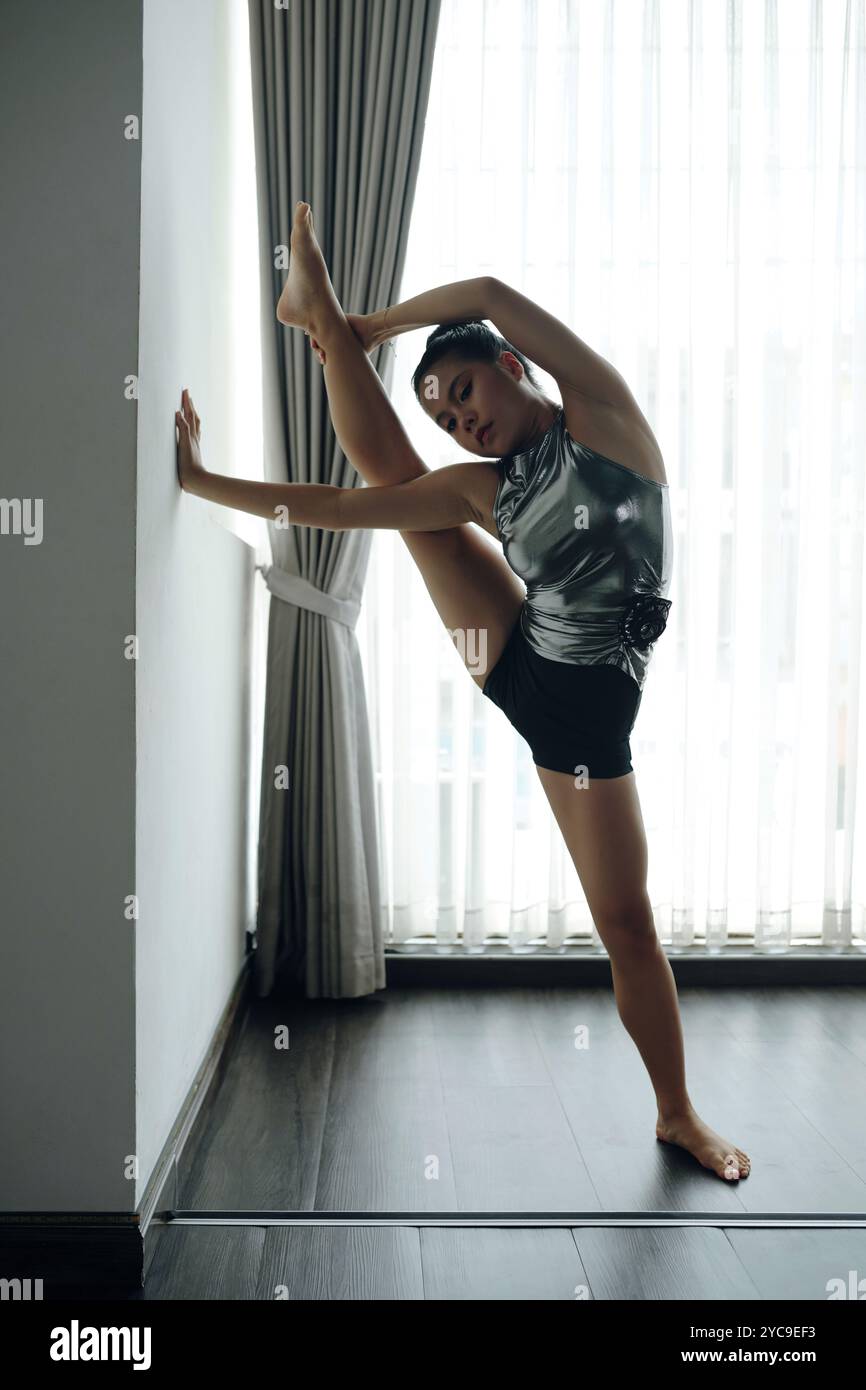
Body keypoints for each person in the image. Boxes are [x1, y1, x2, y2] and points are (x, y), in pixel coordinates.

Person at [176, 201, 750, 1182]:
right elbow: (350, 504)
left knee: (626, 922)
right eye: (442, 412)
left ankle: (673, 1113)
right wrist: (203, 483)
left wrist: (377, 327)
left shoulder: (604, 418)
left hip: (583, 729)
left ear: (511, 366)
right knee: (406, 503)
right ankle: (312, 319)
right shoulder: (479, 489)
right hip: (522, 671)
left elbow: (485, 293)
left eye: (463, 391)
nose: (459, 416)